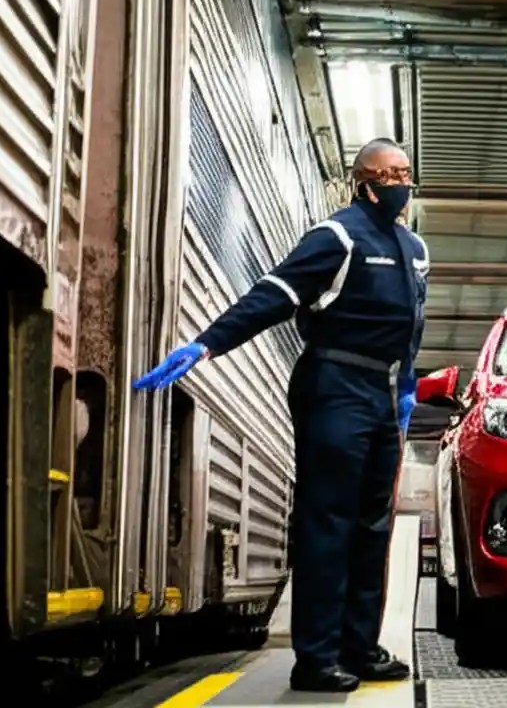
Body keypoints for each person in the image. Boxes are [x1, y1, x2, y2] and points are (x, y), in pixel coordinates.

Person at [132, 138, 428, 693]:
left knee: (373, 527)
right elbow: (273, 294)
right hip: (334, 383)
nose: (399, 184)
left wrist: (407, 385)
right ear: (362, 183)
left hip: (383, 392)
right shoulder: (337, 235)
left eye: (405, 173)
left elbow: (412, 324)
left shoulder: (414, 248)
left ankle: (360, 647)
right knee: (329, 522)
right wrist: (208, 344)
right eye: (387, 175)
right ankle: (316, 658)